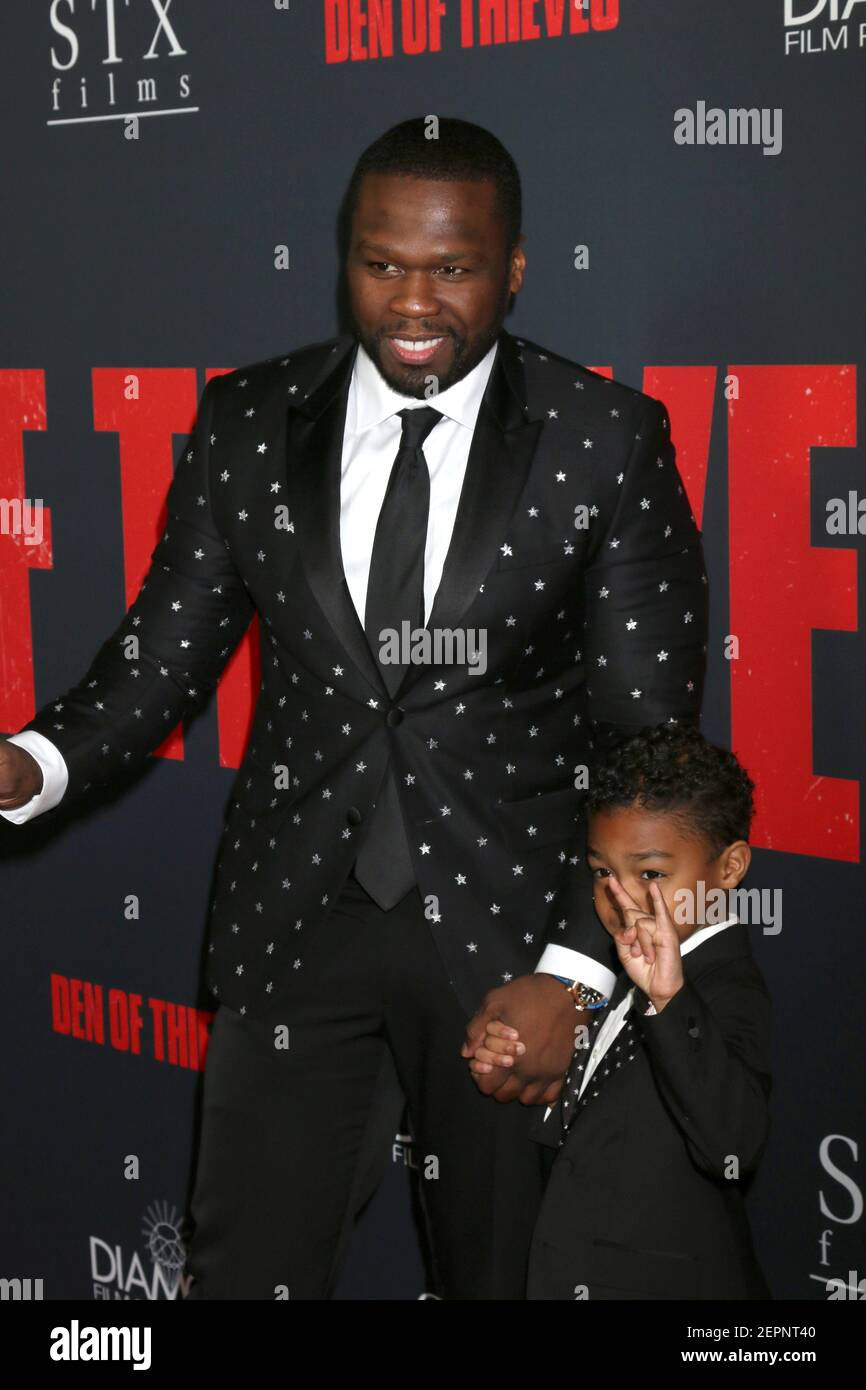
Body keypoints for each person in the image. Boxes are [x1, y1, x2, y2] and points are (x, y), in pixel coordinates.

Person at [0, 117, 708, 1299]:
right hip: (298, 918)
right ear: (345, 257)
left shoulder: (602, 440)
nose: (412, 302)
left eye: (452, 267)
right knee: (244, 1271)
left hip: (514, 932)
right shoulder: (248, 418)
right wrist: (30, 762)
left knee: (509, 1275)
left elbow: (649, 747)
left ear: (515, 265)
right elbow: (158, 659)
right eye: (381, 265)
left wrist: (578, 972)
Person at [471, 724, 772, 1299]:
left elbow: (733, 1142)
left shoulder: (728, 986)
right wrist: (507, 1060)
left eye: (652, 874)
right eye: (603, 871)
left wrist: (668, 998)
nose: (621, 898)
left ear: (730, 869)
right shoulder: (612, 974)